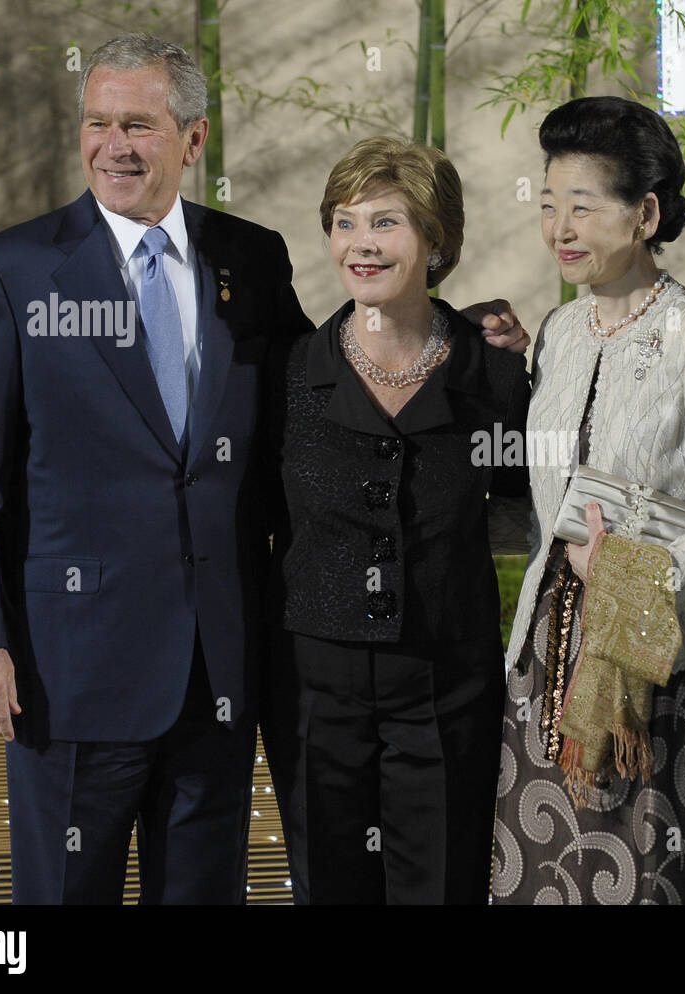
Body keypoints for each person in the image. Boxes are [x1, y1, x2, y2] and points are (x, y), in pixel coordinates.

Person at [0, 34, 527, 905]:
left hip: (220, 671)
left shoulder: (248, 257)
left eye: (139, 123)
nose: (114, 145)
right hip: (71, 673)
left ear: (193, 139)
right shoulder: (11, 271)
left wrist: (450, 333)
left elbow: (328, 383)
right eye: (97, 123)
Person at [490, 96, 685, 905]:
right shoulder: (559, 331)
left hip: (659, 668)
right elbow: (545, 496)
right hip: (552, 658)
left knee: (648, 879)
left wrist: (634, 576)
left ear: (646, 212)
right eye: (549, 204)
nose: (560, 227)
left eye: (583, 205)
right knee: (548, 872)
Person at [262, 136, 530, 904]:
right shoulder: (287, 374)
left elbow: (524, 503)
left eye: (387, 222)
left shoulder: (496, 374)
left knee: (445, 885)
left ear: (437, 239)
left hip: (447, 681)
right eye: (344, 223)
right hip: (315, 685)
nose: (361, 244)